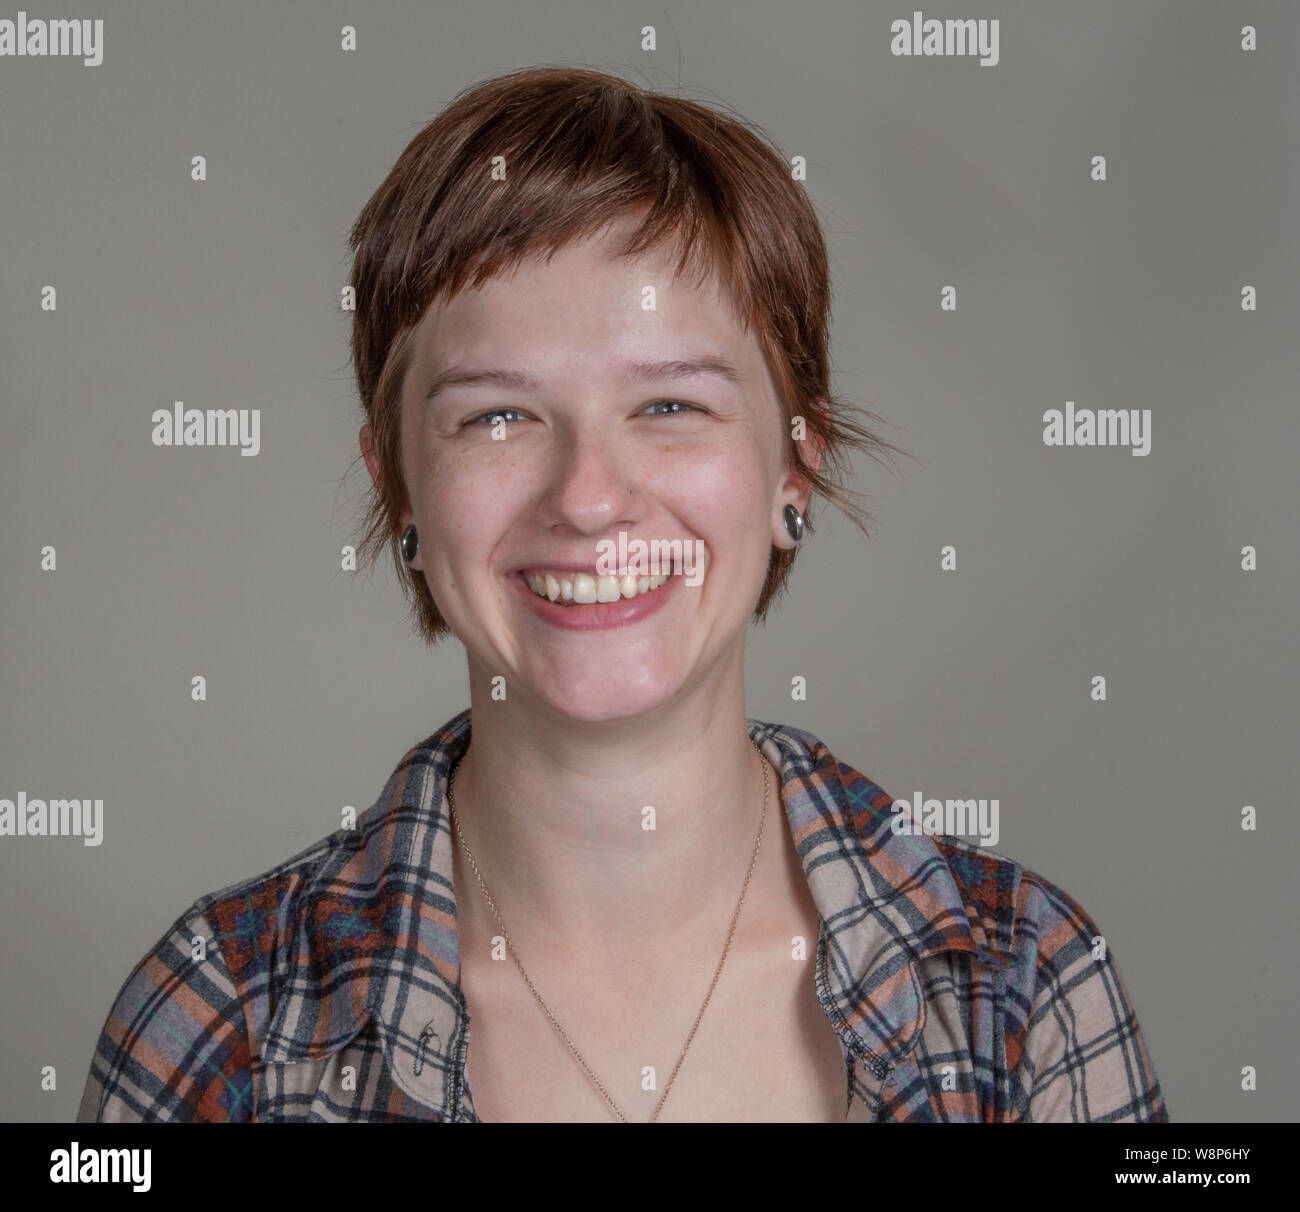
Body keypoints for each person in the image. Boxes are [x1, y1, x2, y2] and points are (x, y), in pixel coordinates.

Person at [77, 64, 1167, 1123]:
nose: (590, 499)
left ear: (794, 469)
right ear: (399, 484)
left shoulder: (1022, 987)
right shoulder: (220, 1018)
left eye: (670, 406)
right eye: (497, 415)